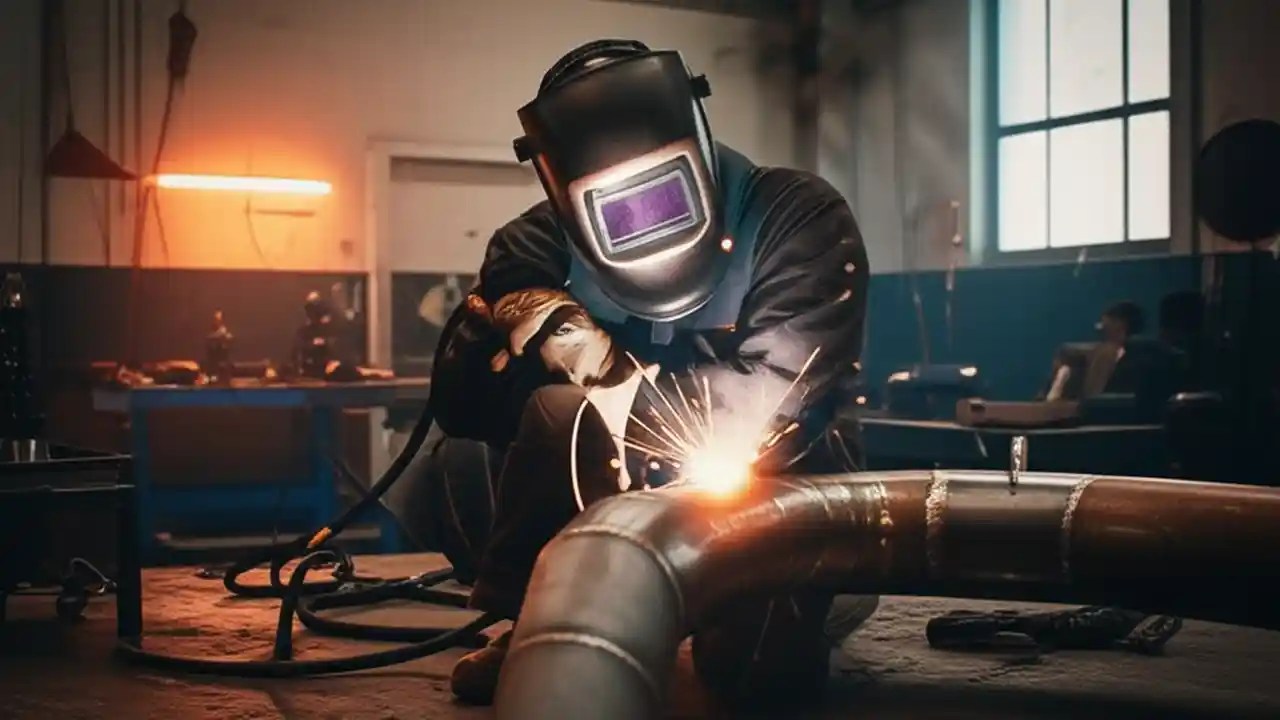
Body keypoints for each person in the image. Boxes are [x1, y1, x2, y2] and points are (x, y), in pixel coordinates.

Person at [428, 39, 873, 707]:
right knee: (553, 415)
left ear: (693, 144)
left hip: (775, 492)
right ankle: (536, 620)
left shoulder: (796, 217)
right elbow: (468, 403)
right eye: (613, 208)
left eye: (665, 190)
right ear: (563, 191)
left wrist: (617, 383)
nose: (646, 225)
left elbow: (776, 405)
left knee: (756, 682)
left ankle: (767, 618)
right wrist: (526, 319)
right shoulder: (537, 244)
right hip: (616, 505)